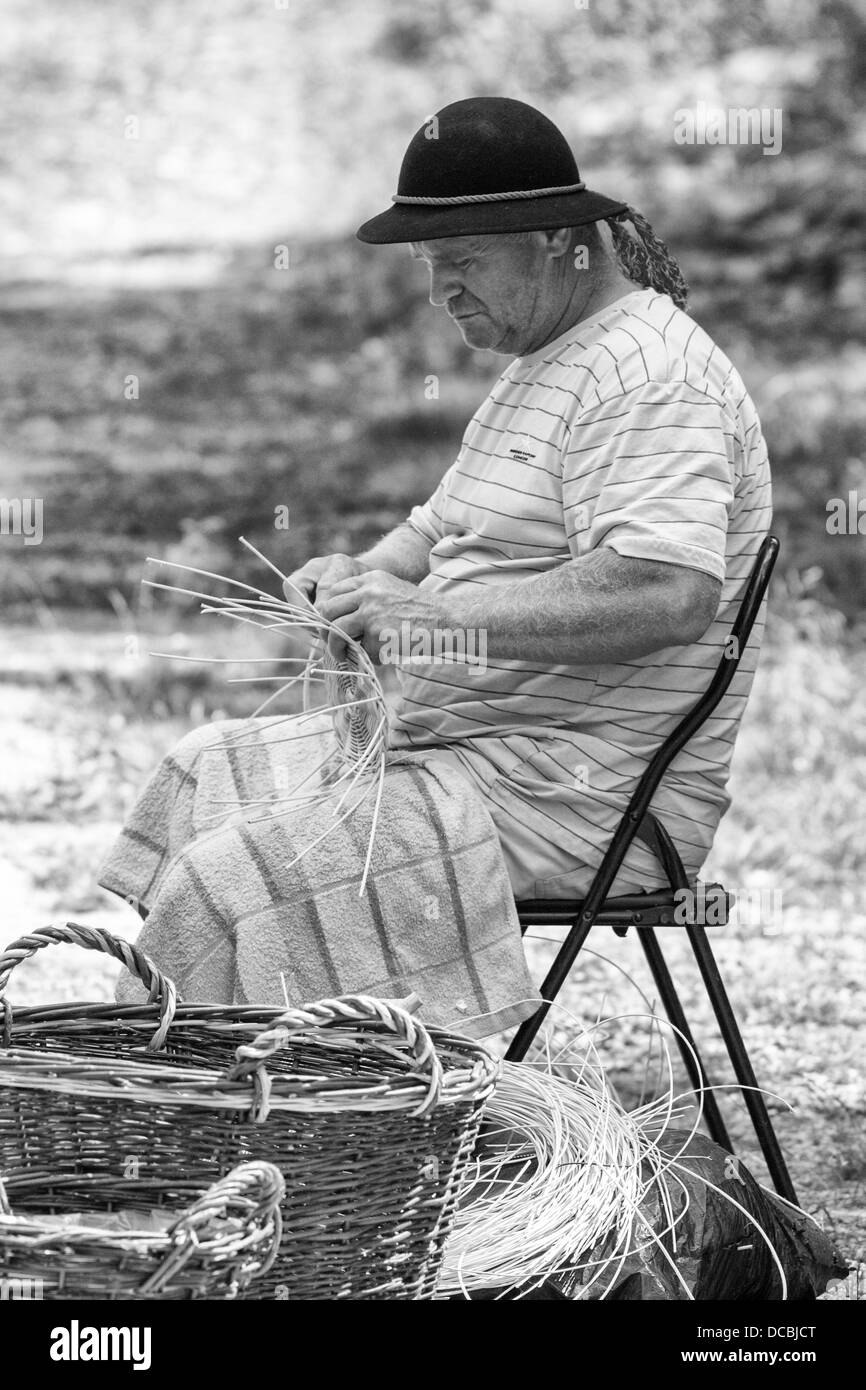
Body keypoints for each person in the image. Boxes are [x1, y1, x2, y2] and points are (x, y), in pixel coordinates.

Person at [287, 95, 772, 899]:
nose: (441, 290)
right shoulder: (546, 360)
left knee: (252, 868)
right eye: (428, 266)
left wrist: (434, 618)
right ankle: (230, 1029)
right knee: (200, 777)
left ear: (557, 242)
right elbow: (437, 530)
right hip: (456, 758)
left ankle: (330, 1031)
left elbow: (666, 591)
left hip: (569, 801)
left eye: (465, 261)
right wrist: (355, 577)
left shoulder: (650, 379)